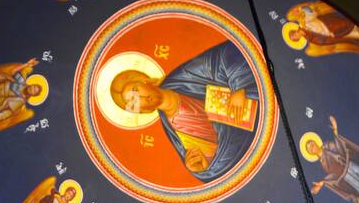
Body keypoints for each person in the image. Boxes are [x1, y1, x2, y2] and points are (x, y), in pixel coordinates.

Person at [108, 40, 258, 181]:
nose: (141, 98)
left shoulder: (186, 76)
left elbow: (227, 52)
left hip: (260, 108)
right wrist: (202, 168)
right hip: (252, 146)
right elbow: (214, 160)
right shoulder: (173, 131)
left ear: (145, 81)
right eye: (134, 102)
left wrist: (239, 87)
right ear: (142, 112)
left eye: (136, 90)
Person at [305, 117, 359, 203]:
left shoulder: (327, 146)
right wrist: (323, 182)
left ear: (315, 143)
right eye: (310, 148)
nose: (312, 147)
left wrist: (335, 131)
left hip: (349, 163)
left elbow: (338, 147)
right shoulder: (323, 163)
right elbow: (332, 175)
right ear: (311, 153)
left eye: (312, 144)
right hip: (345, 174)